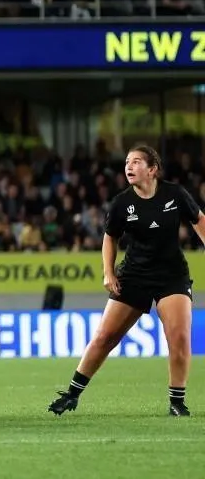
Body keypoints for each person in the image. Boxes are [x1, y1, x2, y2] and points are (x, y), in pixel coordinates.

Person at [49, 145, 201, 417]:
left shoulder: (175, 194)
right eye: (127, 162)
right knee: (105, 337)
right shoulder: (121, 203)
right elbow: (110, 238)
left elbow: (199, 220)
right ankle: (72, 393)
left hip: (172, 276)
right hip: (134, 275)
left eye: (137, 162)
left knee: (179, 336)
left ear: (152, 169)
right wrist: (108, 271)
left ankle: (176, 402)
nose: (129, 167)